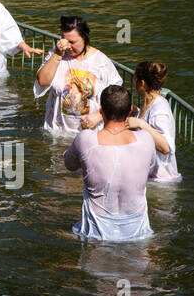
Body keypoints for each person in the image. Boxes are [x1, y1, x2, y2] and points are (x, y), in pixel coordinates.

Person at [63, 85, 155, 241]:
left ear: (100, 111)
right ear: (131, 110)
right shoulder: (146, 139)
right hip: (138, 232)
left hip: (96, 234)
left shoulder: (86, 139)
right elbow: (149, 167)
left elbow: (69, 164)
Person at [80, 60, 180, 182]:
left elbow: (165, 147)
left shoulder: (160, 109)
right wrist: (134, 111)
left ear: (141, 83)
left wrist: (141, 124)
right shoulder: (147, 103)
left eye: (134, 79)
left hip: (162, 181)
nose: (133, 83)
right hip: (150, 177)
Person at [34, 15, 122, 135]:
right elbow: (42, 81)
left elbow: (117, 98)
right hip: (57, 132)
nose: (67, 47)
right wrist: (57, 54)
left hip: (90, 133)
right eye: (64, 41)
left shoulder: (101, 62)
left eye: (72, 42)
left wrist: (99, 116)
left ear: (84, 38)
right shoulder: (56, 55)